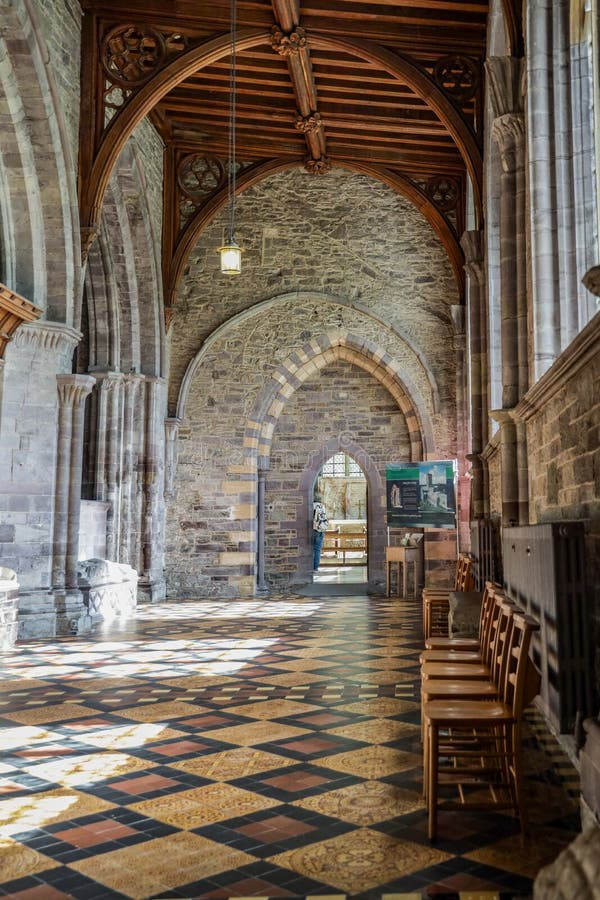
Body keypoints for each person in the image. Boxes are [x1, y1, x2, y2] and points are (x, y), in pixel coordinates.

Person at [312, 492, 329, 572]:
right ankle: (315, 567)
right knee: (317, 549)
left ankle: (310, 566)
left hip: (312, 529)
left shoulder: (310, 505)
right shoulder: (322, 506)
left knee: (310, 549)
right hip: (320, 529)